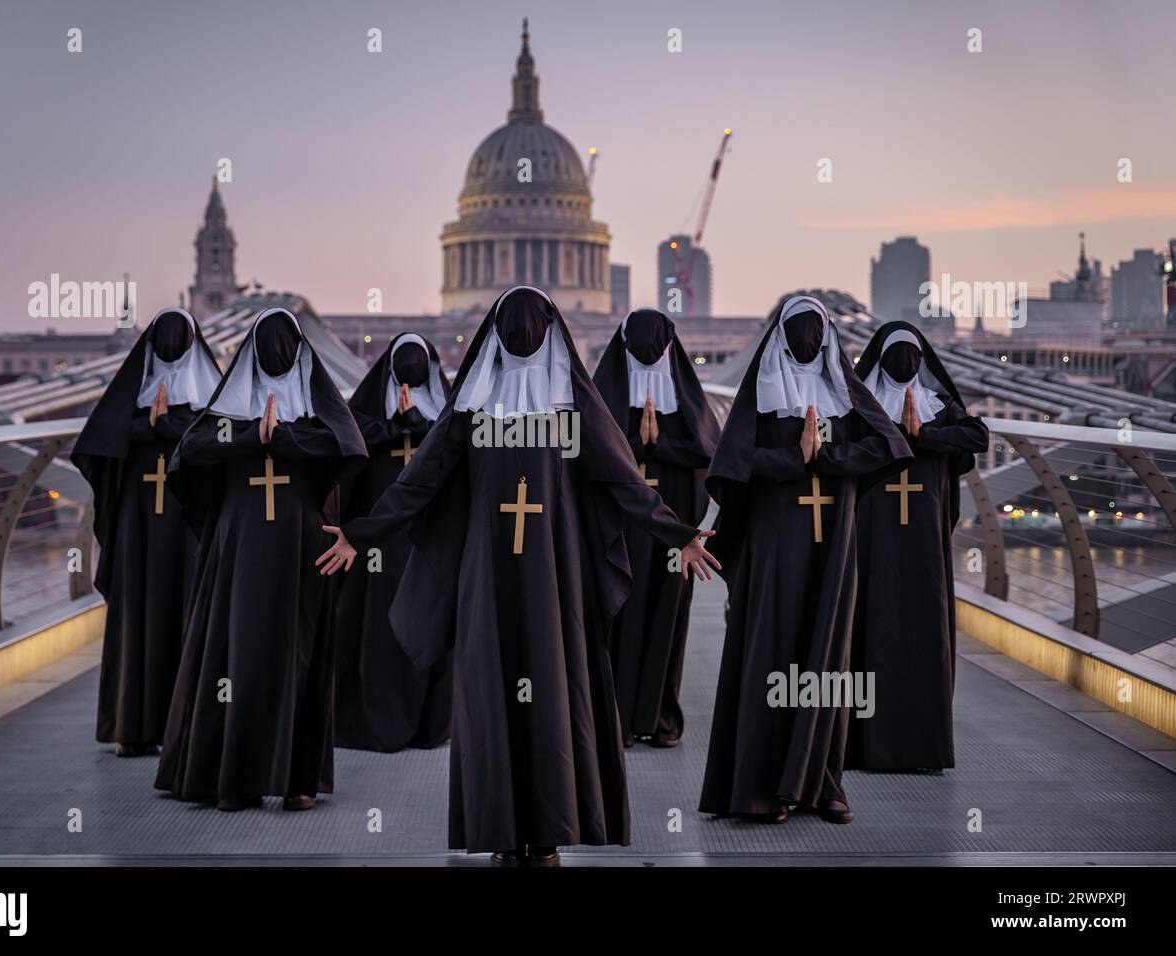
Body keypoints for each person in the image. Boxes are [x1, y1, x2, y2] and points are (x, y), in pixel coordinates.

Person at [316, 287, 719, 865]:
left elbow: (421, 482)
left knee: (519, 694)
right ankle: (518, 832)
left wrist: (678, 534)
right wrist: (363, 531)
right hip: (542, 576)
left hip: (519, 576)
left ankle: (531, 830)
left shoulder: (484, 406)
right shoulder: (557, 406)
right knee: (527, 692)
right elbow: (624, 480)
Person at [699, 295, 911, 825]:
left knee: (829, 658)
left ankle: (824, 784)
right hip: (776, 543)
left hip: (833, 544)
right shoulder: (763, 392)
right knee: (773, 652)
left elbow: (889, 446)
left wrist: (829, 459)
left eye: (815, 331)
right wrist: (796, 460)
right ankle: (762, 787)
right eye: (799, 331)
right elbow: (733, 465)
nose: (808, 341)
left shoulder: (845, 391)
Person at [154, 308, 366, 811]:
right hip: (255, 545)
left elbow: (350, 444)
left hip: (281, 545)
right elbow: (192, 447)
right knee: (256, 655)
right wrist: (255, 436)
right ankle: (247, 776)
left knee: (265, 651)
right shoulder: (238, 412)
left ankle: (292, 777)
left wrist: (279, 438)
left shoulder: (305, 413)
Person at [72, 308, 220, 757]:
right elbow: (95, 448)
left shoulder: (177, 399)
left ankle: (162, 726)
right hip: (153, 528)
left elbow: (222, 446)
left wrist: (150, 428)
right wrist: (160, 429)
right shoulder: (205, 396)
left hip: (175, 527)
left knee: (172, 615)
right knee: (157, 617)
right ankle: (138, 726)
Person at [848, 321, 988, 772]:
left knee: (920, 637)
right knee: (870, 630)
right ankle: (864, 742)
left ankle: (920, 745)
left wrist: (922, 437)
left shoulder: (937, 405)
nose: (904, 367)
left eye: (911, 359)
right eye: (897, 358)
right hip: (872, 544)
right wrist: (900, 441)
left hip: (922, 546)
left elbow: (978, 436)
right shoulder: (859, 405)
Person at [592, 308, 720, 749]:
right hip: (621, 527)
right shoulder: (605, 392)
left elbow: (708, 451)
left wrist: (655, 445)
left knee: (669, 613)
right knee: (618, 611)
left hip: (672, 530)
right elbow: (589, 454)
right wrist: (638, 446)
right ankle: (618, 718)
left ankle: (662, 716)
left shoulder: (682, 394)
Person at [335, 333, 453, 752]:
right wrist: (392, 429)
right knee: (379, 630)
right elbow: (349, 449)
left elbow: (456, 457)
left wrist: (418, 426)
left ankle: (429, 722)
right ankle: (378, 719)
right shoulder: (363, 416)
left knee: (427, 625)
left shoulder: (448, 419)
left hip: (428, 543)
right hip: (378, 546)